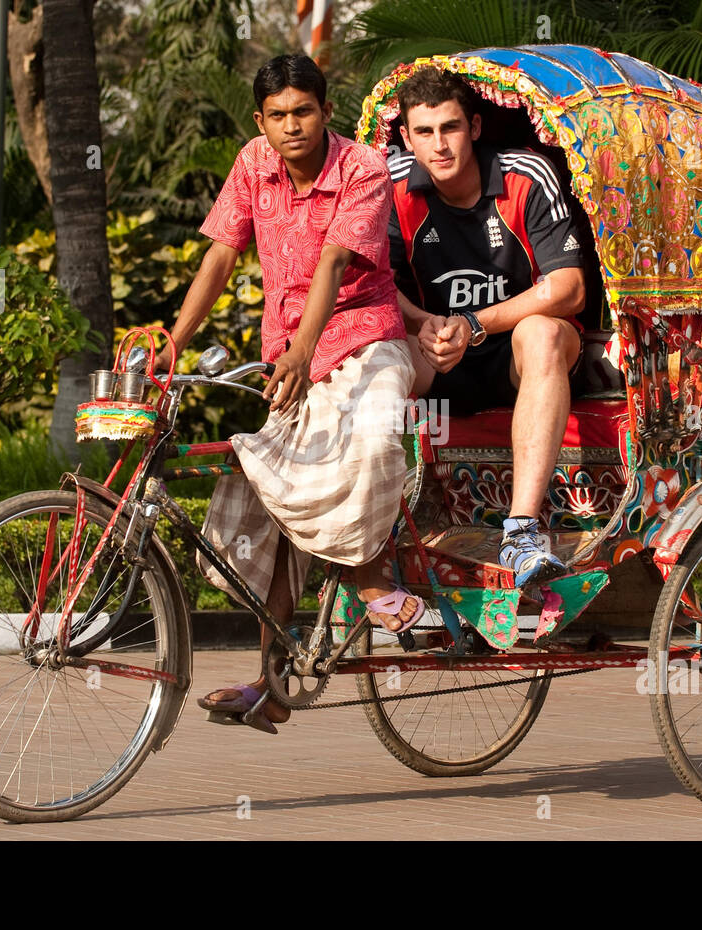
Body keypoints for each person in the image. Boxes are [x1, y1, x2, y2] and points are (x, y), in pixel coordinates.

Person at [156, 55, 421, 734]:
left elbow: (335, 259)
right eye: (277, 115)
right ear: (260, 121)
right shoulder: (252, 164)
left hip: (365, 339)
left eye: (303, 111)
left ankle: (371, 578)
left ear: (326, 112)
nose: (291, 126)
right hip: (289, 356)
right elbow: (220, 253)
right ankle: (273, 686)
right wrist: (176, 339)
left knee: (370, 432)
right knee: (275, 508)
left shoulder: (361, 167)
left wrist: (306, 352)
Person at [387, 67, 585, 586]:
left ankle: (520, 532)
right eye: (424, 133)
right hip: (439, 350)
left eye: (450, 128)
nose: (440, 145)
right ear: (406, 137)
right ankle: (373, 529)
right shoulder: (391, 188)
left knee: (541, 331)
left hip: (519, 355)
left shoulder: (526, 175)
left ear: (474, 127)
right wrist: (426, 323)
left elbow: (569, 288)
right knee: (374, 354)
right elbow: (373, 283)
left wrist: (474, 322)